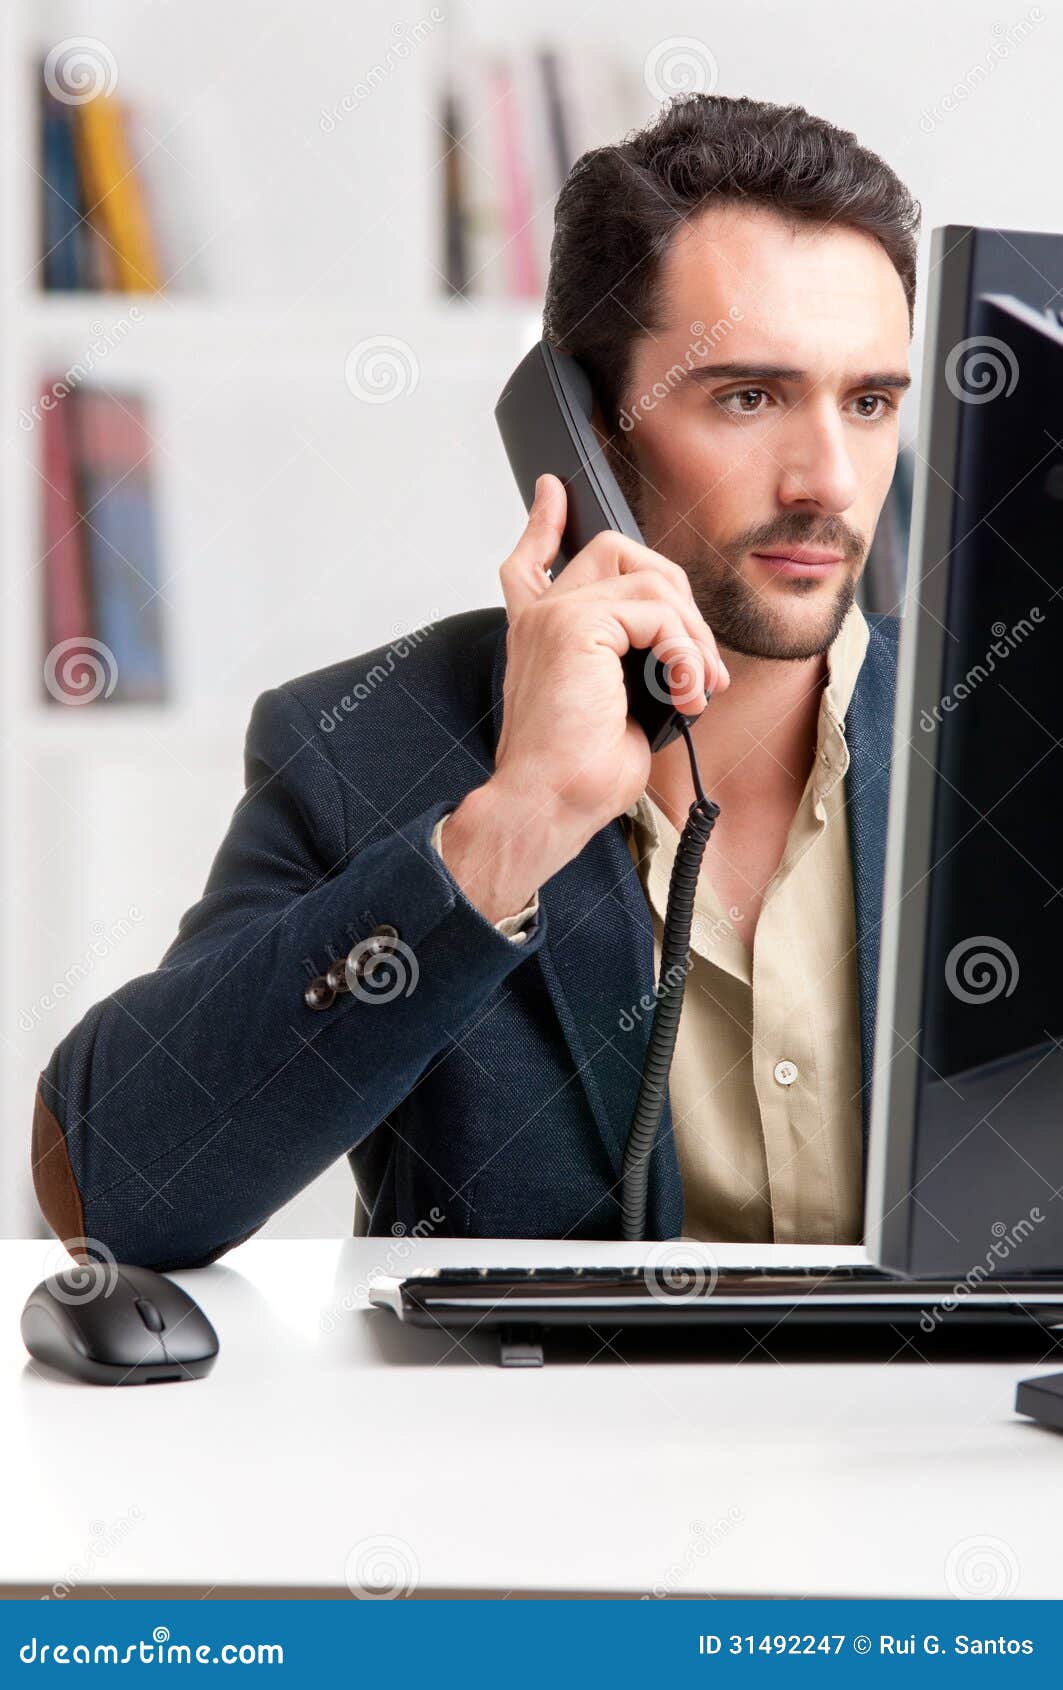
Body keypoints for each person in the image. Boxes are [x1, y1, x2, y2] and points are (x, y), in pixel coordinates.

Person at [32, 93, 919, 1268]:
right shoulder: (364, 746)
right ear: (587, 433)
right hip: (541, 1403)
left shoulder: (1014, 731)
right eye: (748, 398)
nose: (830, 482)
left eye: (869, 403)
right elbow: (114, 1190)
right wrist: (510, 828)